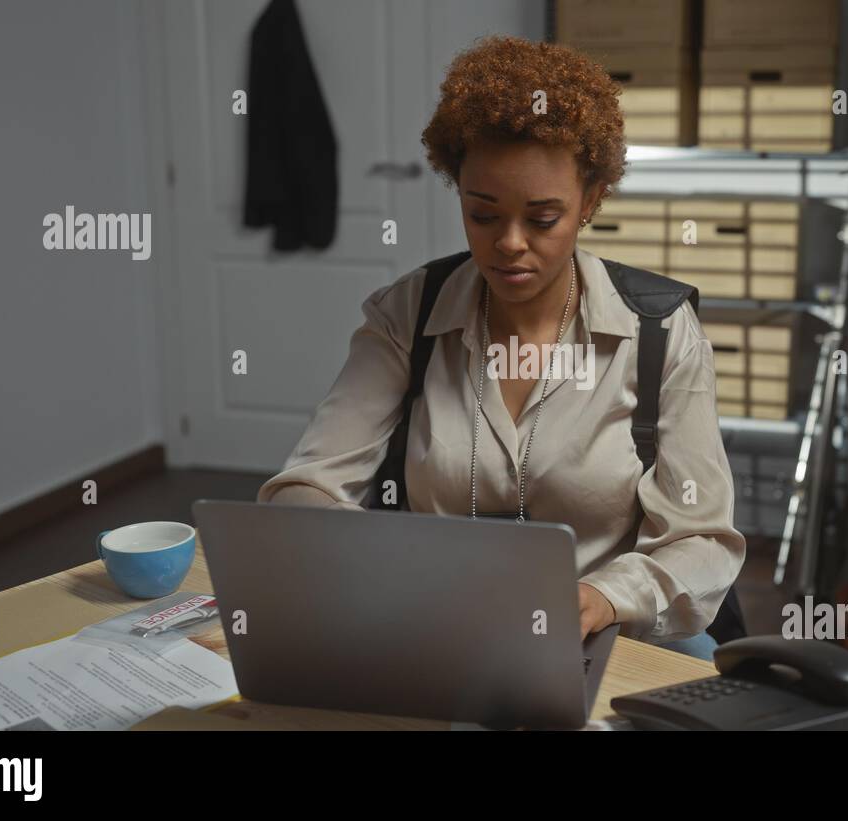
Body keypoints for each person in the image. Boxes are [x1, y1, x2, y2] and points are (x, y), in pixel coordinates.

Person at [257, 35, 745, 660]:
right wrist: (378, 571)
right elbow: (308, 486)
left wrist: (603, 596)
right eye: (483, 214)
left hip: (616, 634)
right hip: (437, 628)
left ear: (591, 201)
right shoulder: (407, 315)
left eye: (543, 218)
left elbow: (703, 538)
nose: (509, 244)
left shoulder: (660, 332)